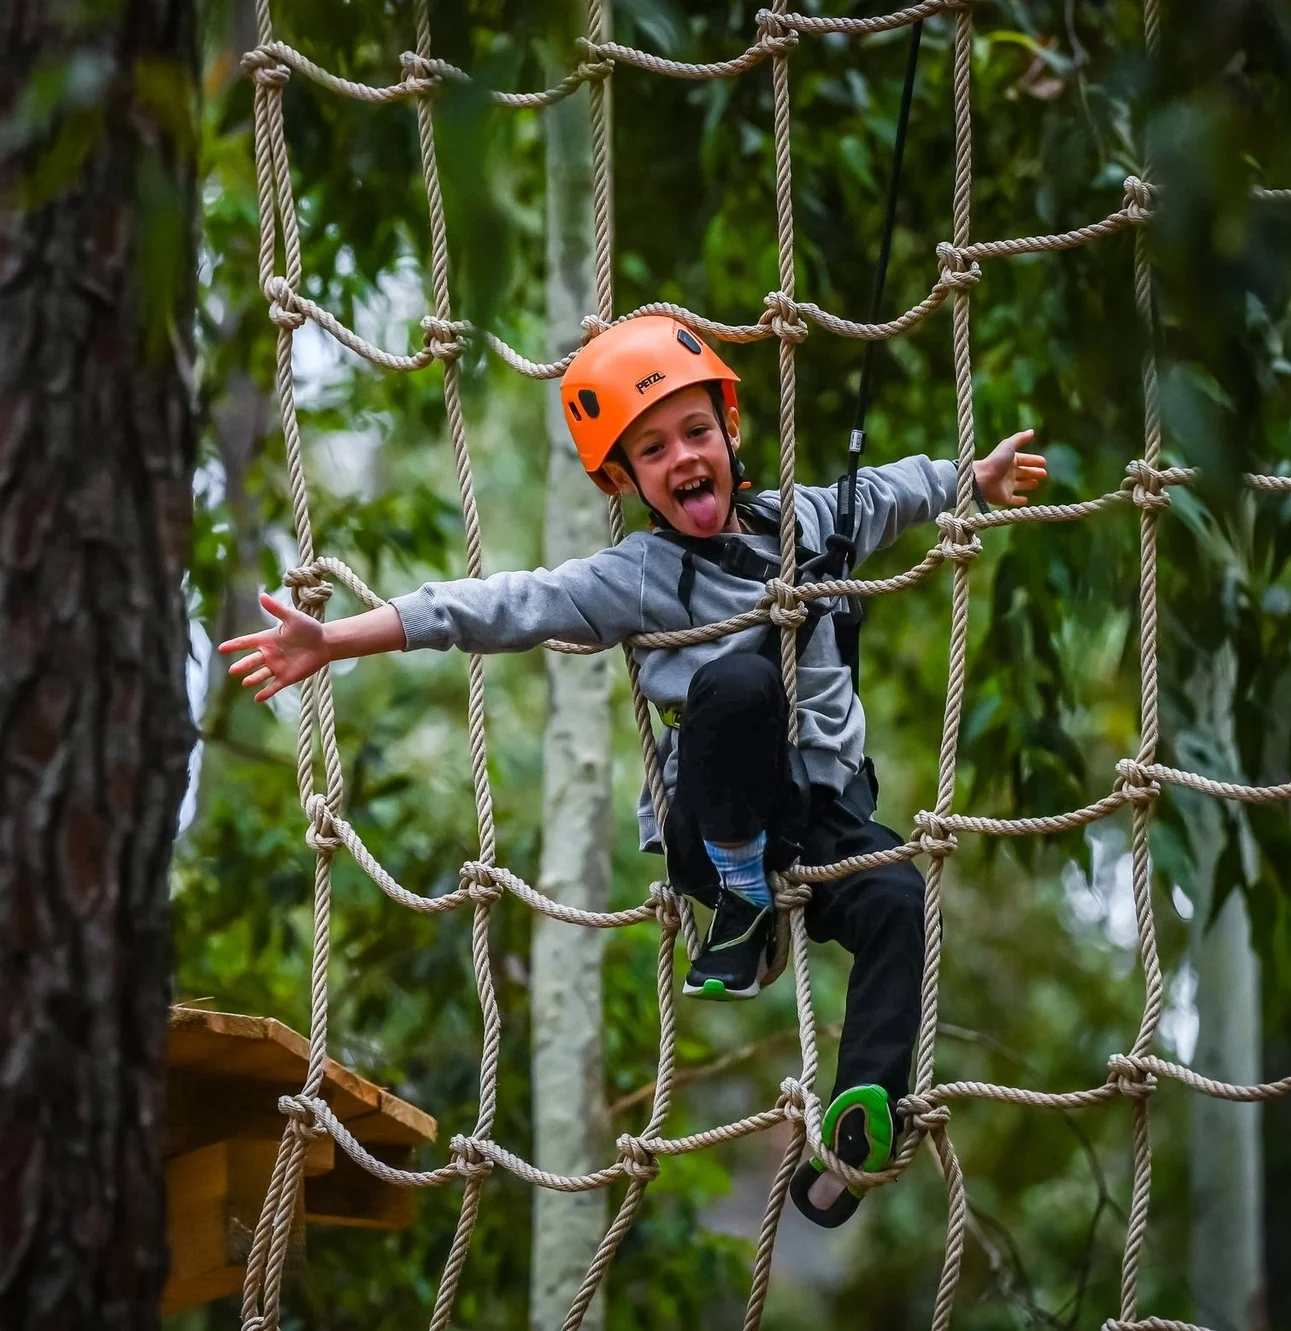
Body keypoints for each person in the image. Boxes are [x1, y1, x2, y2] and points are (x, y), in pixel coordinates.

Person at [220, 314, 1046, 1225]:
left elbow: (894, 490)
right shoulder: (642, 574)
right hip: (714, 822)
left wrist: (975, 480)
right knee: (739, 683)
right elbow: (503, 603)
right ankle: (741, 898)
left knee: (898, 896)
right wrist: (335, 638)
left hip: (822, 814)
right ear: (624, 478)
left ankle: (854, 1140)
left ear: (730, 431)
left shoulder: (810, 522)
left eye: (696, 432)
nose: (683, 457)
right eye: (653, 450)